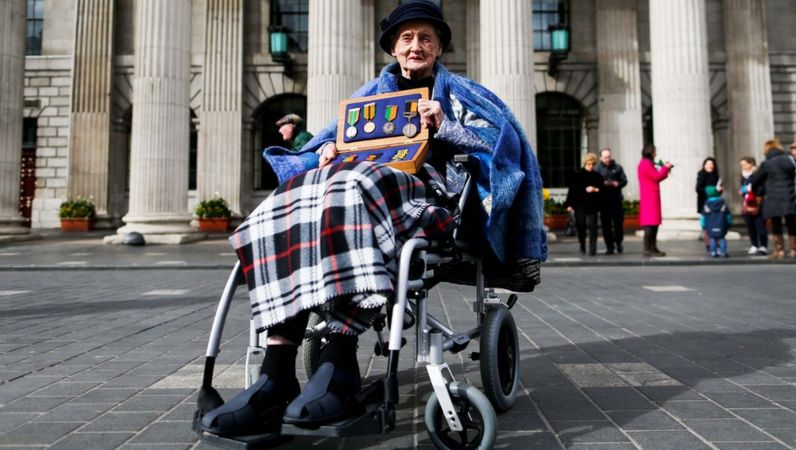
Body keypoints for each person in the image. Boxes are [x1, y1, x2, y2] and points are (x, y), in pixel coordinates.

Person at [200, 0, 547, 435]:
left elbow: (504, 153)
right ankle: (276, 370)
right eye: (406, 38)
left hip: (426, 198)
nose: (415, 46)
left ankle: (340, 360)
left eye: (425, 38)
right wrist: (323, 153)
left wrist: (447, 129)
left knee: (349, 188)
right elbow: (318, 151)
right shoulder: (366, 99)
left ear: (439, 47)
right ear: (393, 48)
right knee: (290, 197)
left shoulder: (465, 97)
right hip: (359, 196)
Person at [752, 139, 796, 259]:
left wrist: (757, 190)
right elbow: (794, 176)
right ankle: (794, 249)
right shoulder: (789, 160)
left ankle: (780, 251)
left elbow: (756, 180)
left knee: (776, 223)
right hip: (789, 194)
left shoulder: (767, 163)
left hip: (773, 196)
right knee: (791, 223)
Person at [638, 144, 673, 257]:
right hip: (650, 197)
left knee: (654, 224)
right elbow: (656, 177)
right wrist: (665, 167)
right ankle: (647, 248)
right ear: (650, 152)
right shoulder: (646, 164)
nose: (655, 154)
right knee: (650, 224)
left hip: (651, 196)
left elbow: (657, 176)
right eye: (654, 152)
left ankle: (653, 247)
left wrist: (665, 169)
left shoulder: (646, 163)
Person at [566, 153, 604, 256]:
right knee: (581, 226)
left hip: (593, 205)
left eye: (592, 164)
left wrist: (595, 189)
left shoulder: (598, 176)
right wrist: (569, 205)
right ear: (584, 163)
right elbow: (572, 191)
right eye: (588, 164)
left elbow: (603, 190)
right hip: (580, 205)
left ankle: (593, 249)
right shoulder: (578, 176)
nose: (590, 166)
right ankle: (582, 245)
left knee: (593, 227)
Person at [594, 148, 628, 254]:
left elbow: (624, 180)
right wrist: (602, 184)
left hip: (616, 200)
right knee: (606, 225)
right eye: (605, 157)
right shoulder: (597, 169)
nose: (607, 159)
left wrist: (618, 183)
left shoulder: (618, 167)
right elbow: (593, 183)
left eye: (609, 157)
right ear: (601, 157)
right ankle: (610, 247)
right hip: (603, 201)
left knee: (618, 224)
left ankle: (618, 243)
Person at [738, 156, 768, 255]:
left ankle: (763, 245)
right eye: (742, 165)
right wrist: (743, 190)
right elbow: (743, 188)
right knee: (750, 226)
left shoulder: (758, 174)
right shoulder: (743, 176)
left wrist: (750, 189)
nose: (743, 167)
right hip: (747, 202)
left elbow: (762, 188)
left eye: (745, 164)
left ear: (751, 164)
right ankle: (754, 245)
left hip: (758, 202)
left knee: (760, 225)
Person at [695, 157, 720, 251]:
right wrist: (713, 190)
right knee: (706, 224)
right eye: (708, 164)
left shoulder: (716, 175)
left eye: (712, 164)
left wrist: (719, 190)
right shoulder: (701, 175)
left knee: (716, 223)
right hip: (704, 202)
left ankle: (716, 242)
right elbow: (698, 189)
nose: (710, 166)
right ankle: (708, 243)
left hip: (715, 202)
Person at [700, 186, 733, 257]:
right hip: (722, 224)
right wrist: (729, 223)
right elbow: (728, 215)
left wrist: (703, 225)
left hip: (710, 225)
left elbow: (703, 217)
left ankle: (713, 251)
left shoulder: (706, 205)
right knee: (721, 238)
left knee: (712, 238)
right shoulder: (723, 204)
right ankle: (723, 251)